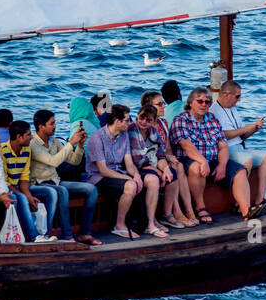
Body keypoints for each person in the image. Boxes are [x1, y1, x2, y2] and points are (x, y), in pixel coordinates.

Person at [169, 88, 266, 225]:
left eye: (207, 102)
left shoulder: (212, 119)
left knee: (240, 171)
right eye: (200, 101)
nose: (204, 104)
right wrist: (202, 160)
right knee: (197, 167)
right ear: (191, 103)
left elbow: (222, 145)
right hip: (191, 159)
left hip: (213, 159)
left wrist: (222, 165)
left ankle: (246, 210)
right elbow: (187, 146)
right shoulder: (181, 120)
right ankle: (200, 207)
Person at [29, 108, 101, 247]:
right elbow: (54, 161)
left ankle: (85, 232)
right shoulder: (33, 144)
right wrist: (71, 143)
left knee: (91, 189)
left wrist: (79, 145)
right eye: (52, 123)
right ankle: (68, 236)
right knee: (62, 191)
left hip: (55, 181)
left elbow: (74, 161)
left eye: (54, 123)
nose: (55, 126)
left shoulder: (54, 141)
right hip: (39, 184)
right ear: (41, 126)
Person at [84, 103, 144, 240]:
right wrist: (128, 179)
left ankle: (141, 223)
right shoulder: (97, 138)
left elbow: (129, 163)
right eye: (127, 120)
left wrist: (136, 175)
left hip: (117, 174)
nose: (130, 123)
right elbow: (103, 170)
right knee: (130, 185)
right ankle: (119, 225)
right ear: (118, 122)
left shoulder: (124, 136)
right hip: (98, 178)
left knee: (140, 182)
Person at [140, 91, 197, 228]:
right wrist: (166, 160)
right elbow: (146, 152)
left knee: (178, 166)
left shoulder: (163, 123)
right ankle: (175, 212)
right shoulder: (144, 125)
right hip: (150, 162)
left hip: (161, 158)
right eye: (159, 104)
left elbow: (168, 148)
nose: (163, 106)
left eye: (163, 103)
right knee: (173, 170)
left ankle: (188, 210)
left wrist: (170, 158)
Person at [210, 80, 266, 202]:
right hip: (227, 151)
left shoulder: (233, 109)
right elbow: (222, 135)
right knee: (247, 159)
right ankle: (242, 203)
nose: (239, 100)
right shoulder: (214, 111)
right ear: (226, 94)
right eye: (237, 96)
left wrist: (254, 128)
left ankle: (259, 200)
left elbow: (242, 136)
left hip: (240, 147)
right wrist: (245, 128)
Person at [127, 105, 174, 238]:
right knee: (153, 180)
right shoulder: (132, 131)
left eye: (148, 120)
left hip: (150, 166)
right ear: (137, 116)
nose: (144, 122)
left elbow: (160, 155)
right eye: (142, 117)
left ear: (153, 121)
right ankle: (150, 223)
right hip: (134, 169)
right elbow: (138, 161)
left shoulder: (153, 132)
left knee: (172, 174)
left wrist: (165, 169)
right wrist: (158, 171)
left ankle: (165, 215)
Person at [0, 120, 47, 243]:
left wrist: (29, 196)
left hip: (17, 186)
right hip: (2, 187)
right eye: (29, 135)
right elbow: (3, 181)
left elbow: (24, 178)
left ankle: (44, 233)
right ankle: (34, 236)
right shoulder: (2, 151)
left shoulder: (27, 150)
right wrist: (26, 197)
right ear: (19, 137)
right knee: (20, 198)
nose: (31, 137)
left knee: (50, 193)